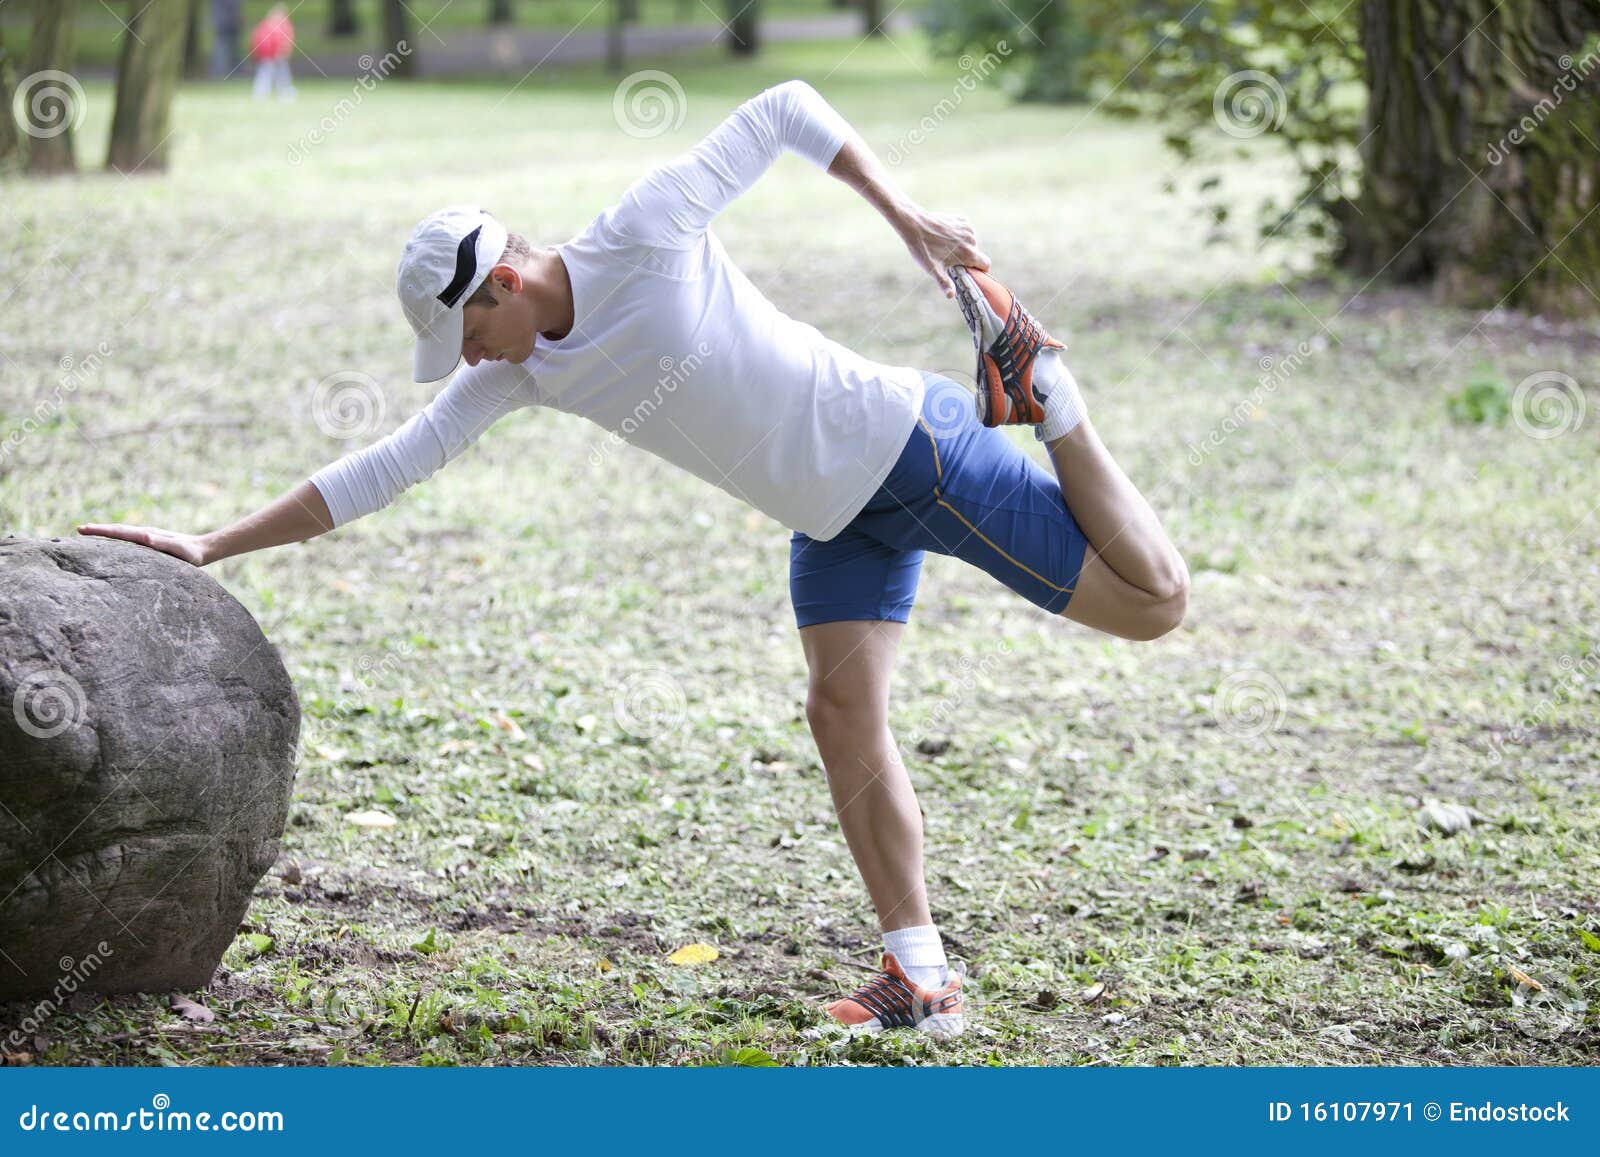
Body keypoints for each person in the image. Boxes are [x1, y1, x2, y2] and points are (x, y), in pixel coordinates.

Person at [78, 80, 1188, 1037]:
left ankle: (1045, 391)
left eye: (465, 332)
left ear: (502, 284)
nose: (465, 360)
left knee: (1152, 605)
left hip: (908, 452)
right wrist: (217, 541)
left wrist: (904, 218)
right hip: (830, 517)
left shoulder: (644, 230)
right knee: (839, 717)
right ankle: (922, 974)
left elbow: (787, 109)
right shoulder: (521, 370)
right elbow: (385, 465)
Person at [249, 3, 295, 101]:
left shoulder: (280, 25)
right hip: (268, 56)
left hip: (275, 56)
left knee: (280, 75)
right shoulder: (268, 26)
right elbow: (260, 40)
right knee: (266, 75)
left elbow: (285, 41)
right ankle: (261, 93)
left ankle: (284, 93)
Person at [211, 0, 242, 79]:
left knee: (232, 48)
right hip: (223, 24)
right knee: (222, 48)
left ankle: (232, 71)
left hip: (228, 24)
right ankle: (220, 72)